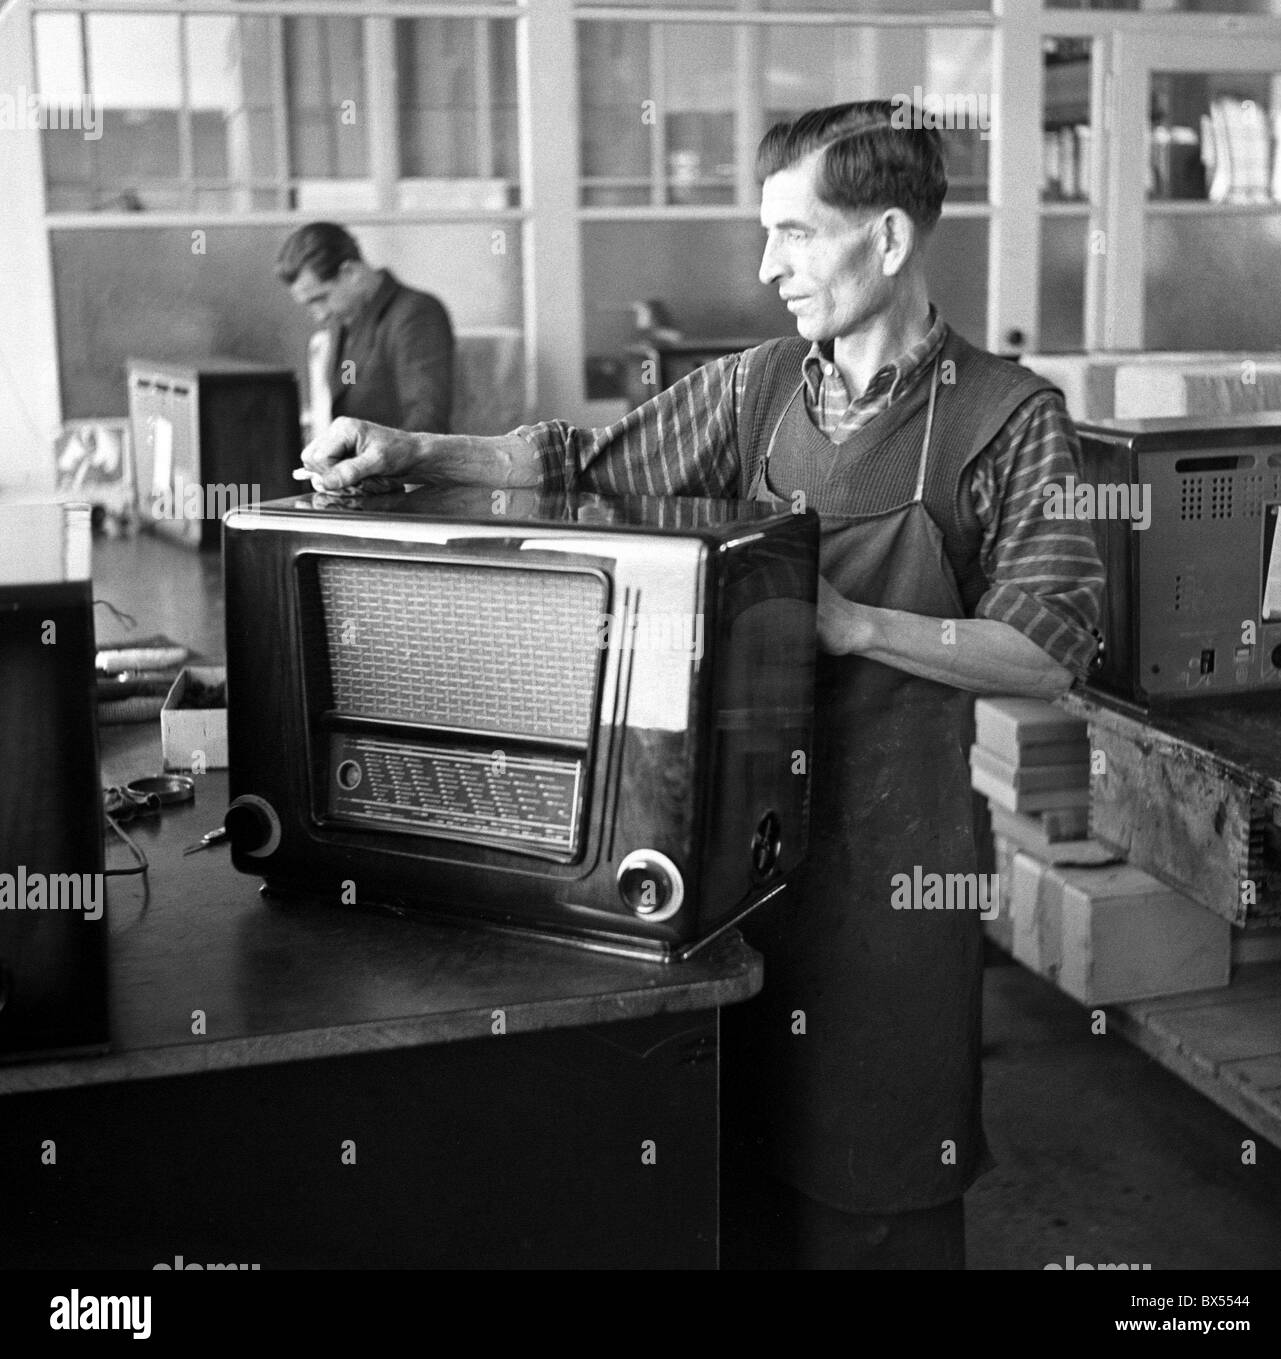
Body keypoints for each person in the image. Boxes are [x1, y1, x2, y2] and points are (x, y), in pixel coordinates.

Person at [298, 102, 1106, 1269]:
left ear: (885, 241)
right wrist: (421, 453)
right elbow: (583, 467)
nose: (766, 267)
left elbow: (1046, 643)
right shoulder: (759, 390)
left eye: (795, 234)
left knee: (875, 1177)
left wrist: (856, 622)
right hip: (730, 860)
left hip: (891, 877)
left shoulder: (1009, 419)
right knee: (726, 1169)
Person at [276, 222, 455, 436]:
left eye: (321, 298)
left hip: (397, 467)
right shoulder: (347, 322)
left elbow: (427, 419)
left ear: (350, 272)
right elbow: (349, 384)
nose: (320, 315)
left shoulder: (416, 314)